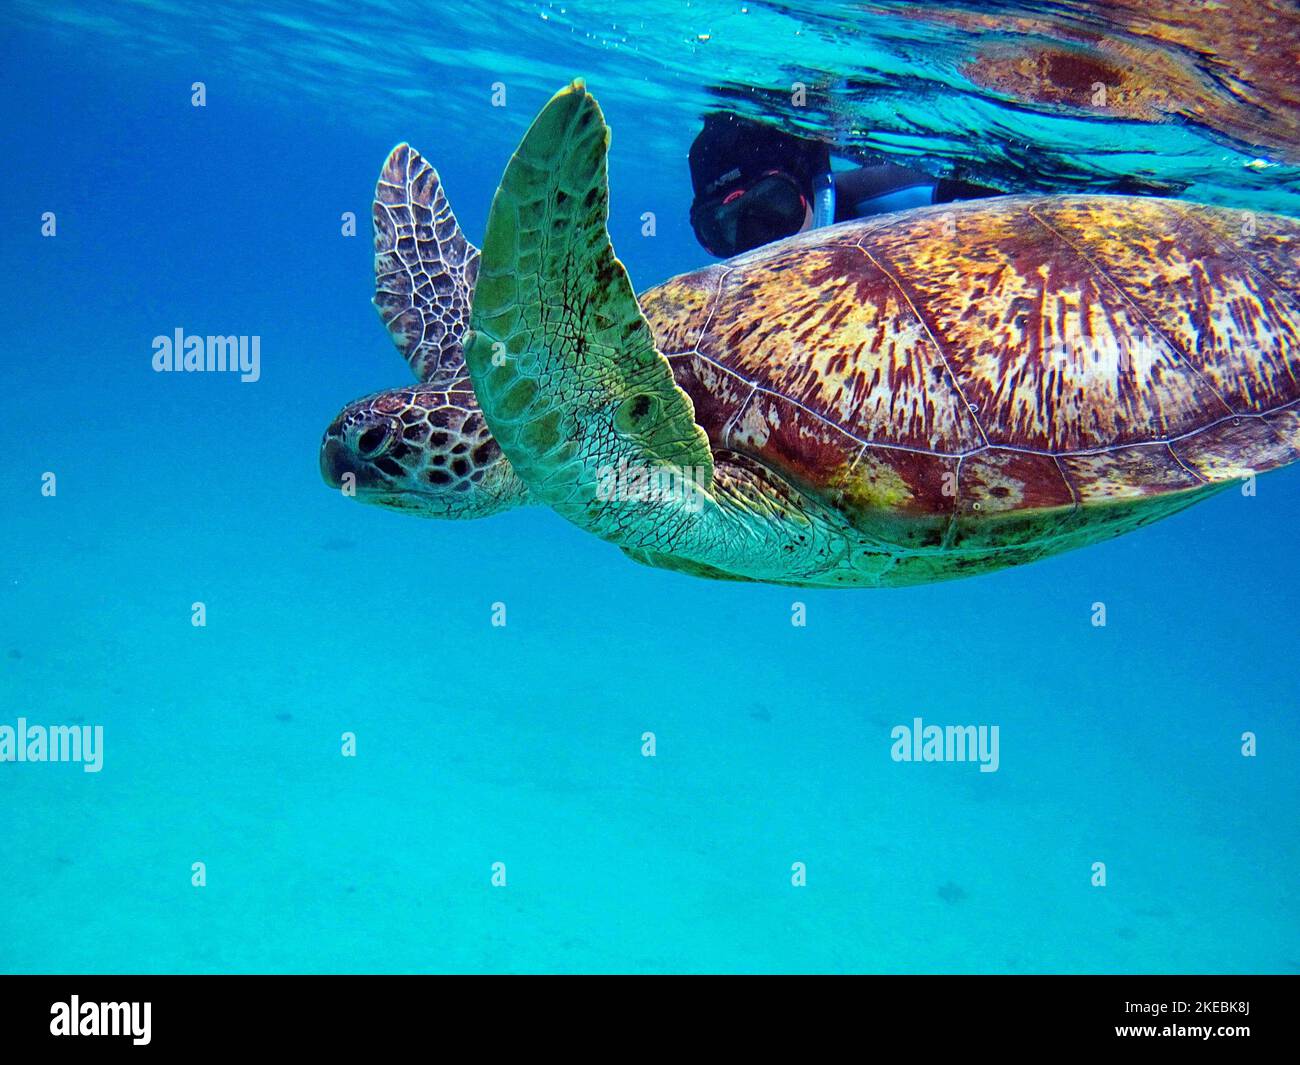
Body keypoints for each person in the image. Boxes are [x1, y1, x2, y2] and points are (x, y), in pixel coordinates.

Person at [688, 111, 1001, 259]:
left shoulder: (901, 195)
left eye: (773, 206)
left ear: (810, 190)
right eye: (723, 228)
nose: (758, 245)